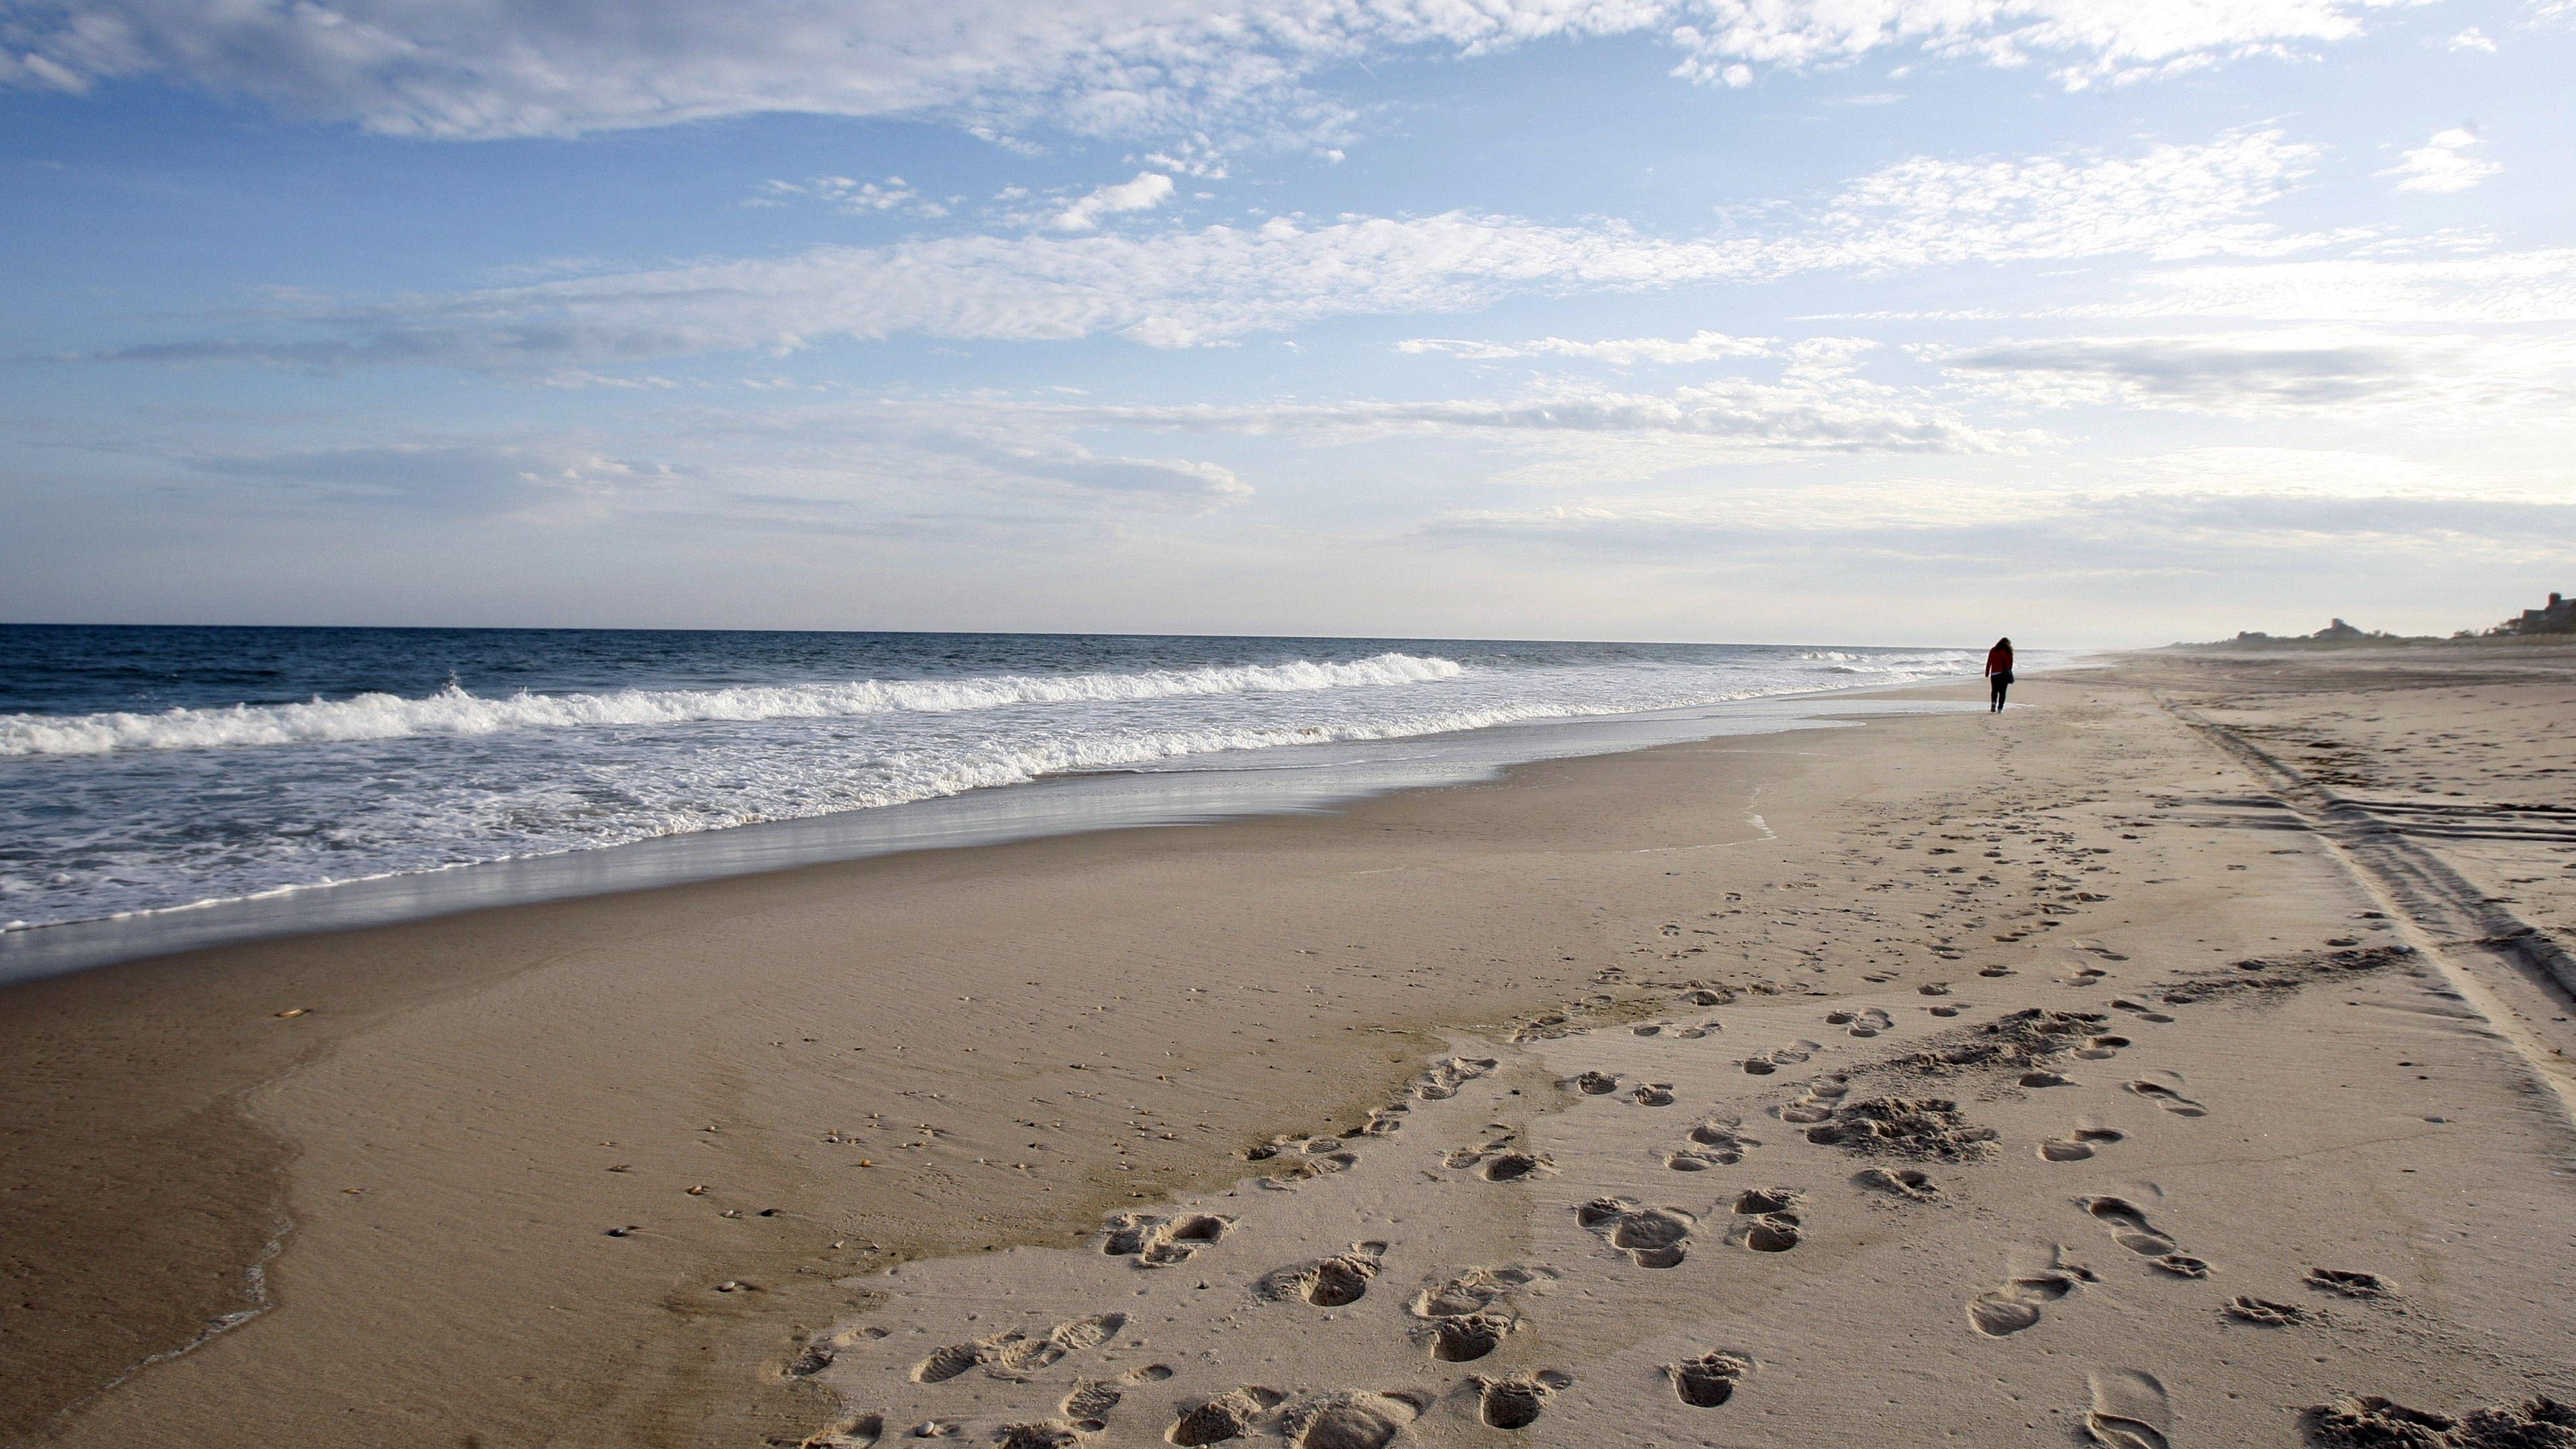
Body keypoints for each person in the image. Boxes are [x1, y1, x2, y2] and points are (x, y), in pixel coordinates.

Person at [1984, 637, 2015, 712]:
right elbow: (2010, 663)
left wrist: (1987, 672)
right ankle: (2000, 709)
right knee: (2002, 691)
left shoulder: (1993, 650)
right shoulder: (2008, 651)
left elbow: (1989, 662)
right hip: (2003, 674)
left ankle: (1993, 704)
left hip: (1994, 674)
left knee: (1994, 690)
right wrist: (2009, 671)